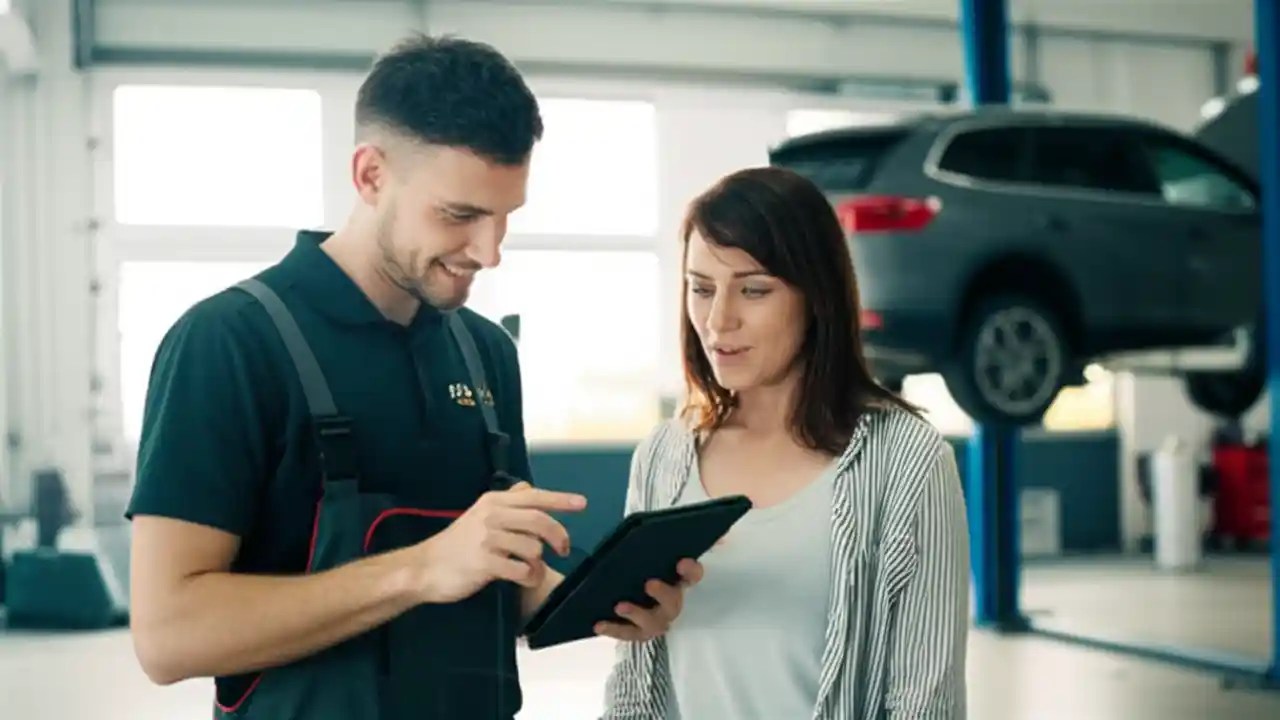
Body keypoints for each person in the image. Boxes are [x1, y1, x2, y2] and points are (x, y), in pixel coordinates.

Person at [125, 34, 701, 720]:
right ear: (370, 175)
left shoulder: (485, 352)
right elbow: (167, 636)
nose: (488, 252)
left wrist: (598, 598)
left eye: (504, 218)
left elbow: (495, 577)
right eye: (459, 216)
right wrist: (418, 570)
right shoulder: (228, 344)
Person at [601, 167, 970, 719]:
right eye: (701, 289)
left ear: (816, 297)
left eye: (753, 289)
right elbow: (633, 684)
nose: (718, 320)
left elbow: (926, 701)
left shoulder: (908, 462)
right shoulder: (663, 457)